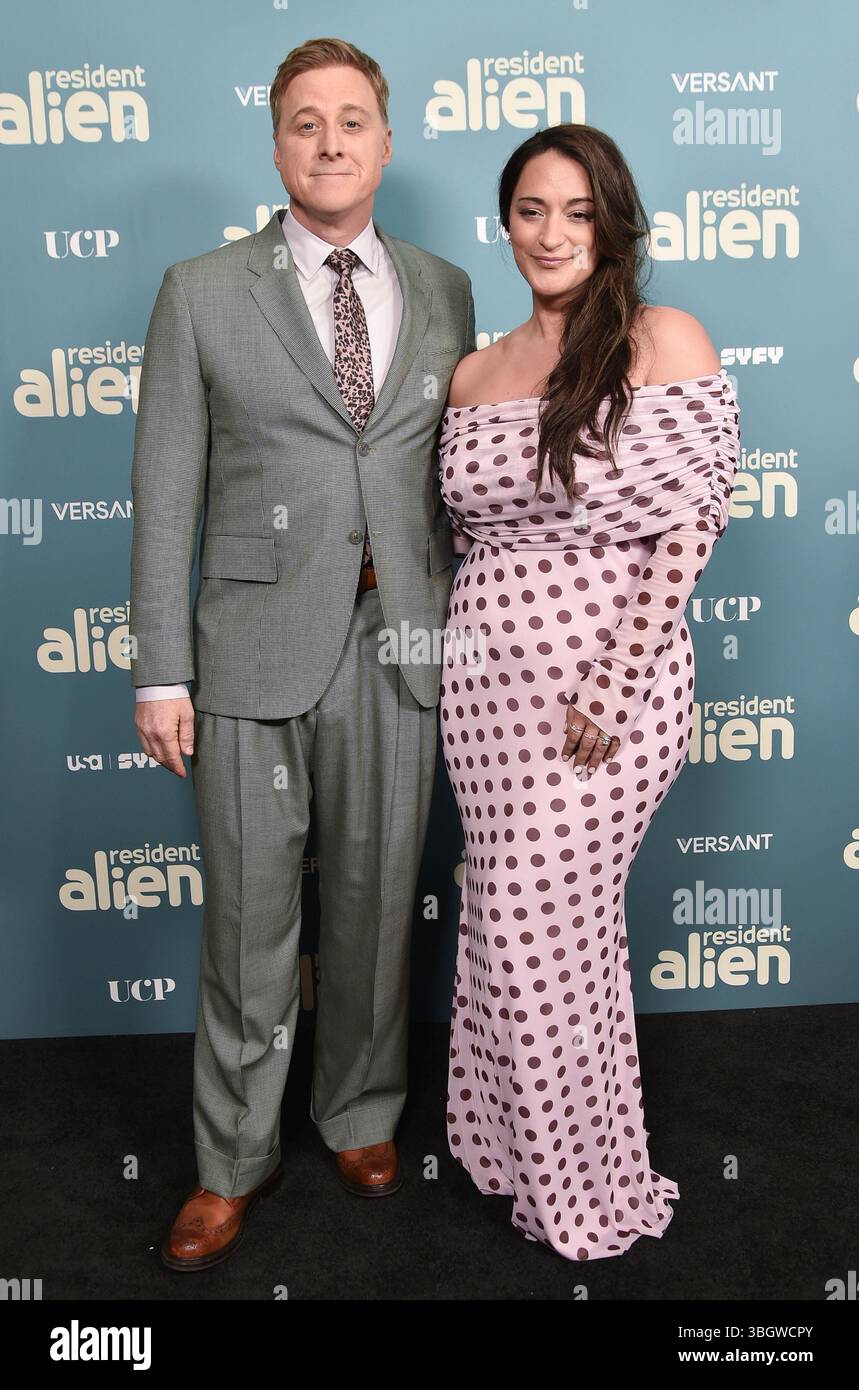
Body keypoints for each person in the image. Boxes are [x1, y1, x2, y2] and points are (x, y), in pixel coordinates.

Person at [129, 36, 474, 1271]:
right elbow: (165, 492)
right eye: (303, 123)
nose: (328, 142)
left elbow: (445, 482)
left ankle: (361, 1113)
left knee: (381, 903)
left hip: (401, 651)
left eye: (351, 121)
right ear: (274, 145)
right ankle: (230, 1158)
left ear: (385, 141)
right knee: (248, 922)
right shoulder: (200, 289)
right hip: (248, 657)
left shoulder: (442, 288)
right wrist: (162, 671)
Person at [437, 123, 740, 1260]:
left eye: (575, 211)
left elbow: (690, 521)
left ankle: (585, 1184)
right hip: (485, 701)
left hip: (605, 696)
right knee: (521, 927)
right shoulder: (476, 368)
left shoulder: (661, 338)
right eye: (529, 209)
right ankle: (510, 1149)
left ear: (612, 223)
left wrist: (612, 682)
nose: (550, 232)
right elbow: (467, 541)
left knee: (530, 920)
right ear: (505, 221)